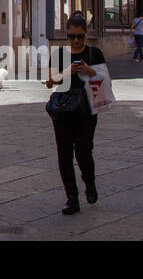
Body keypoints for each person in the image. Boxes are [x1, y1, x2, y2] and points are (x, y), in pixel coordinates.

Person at [44, 13, 105, 215]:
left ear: (86, 35)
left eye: (80, 36)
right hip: (62, 110)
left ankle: (90, 184)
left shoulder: (95, 54)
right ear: (66, 35)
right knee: (64, 155)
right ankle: (71, 197)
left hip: (87, 110)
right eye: (72, 36)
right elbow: (49, 82)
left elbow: (106, 80)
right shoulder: (59, 55)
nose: (76, 40)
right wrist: (67, 72)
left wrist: (90, 71)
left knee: (84, 151)